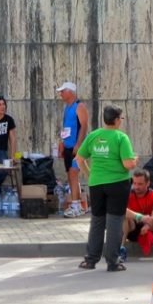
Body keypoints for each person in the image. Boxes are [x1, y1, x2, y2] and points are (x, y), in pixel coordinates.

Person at [76, 106, 138, 273]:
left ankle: (90, 259)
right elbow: (128, 164)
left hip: (96, 184)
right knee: (115, 221)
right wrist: (135, 161)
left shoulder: (93, 136)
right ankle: (113, 261)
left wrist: (90, 175)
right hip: (118, 183)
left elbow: (79, 158)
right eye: (121, 118)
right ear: (117, 120)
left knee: (97, 220)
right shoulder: (121, 137)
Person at [56, 82, 90, 218]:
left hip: (77, 147)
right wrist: (62, 143)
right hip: (68, 146)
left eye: (63, 91)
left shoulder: (79, 106)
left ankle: (77, 205)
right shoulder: (67, 108)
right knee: (70, 176)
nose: (61, 94)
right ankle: (77, 203)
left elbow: (84, 126)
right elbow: (66, 127)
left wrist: (78, 144)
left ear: (70, 92)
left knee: (73, 174)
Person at [122, 168, 153, 263]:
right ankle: (120, 249)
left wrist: (149, 223)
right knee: (123, 215)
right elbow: (119, 210)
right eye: (134, 183)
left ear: (148, 183)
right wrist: (138, 217)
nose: (136, 187)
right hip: (132, 229)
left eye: (140, 184)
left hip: (149, 229)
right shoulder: (128, 194)